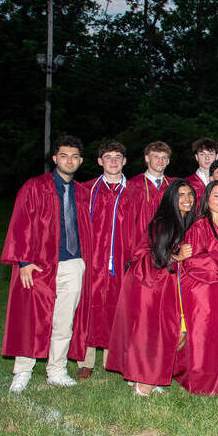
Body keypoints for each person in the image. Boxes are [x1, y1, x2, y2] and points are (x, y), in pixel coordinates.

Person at [2, 135, 92, 393]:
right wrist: (24, 261)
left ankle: (57, 370)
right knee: (33, 318)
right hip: (40, 265)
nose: (69, 160)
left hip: (73, 263)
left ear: (80, 161)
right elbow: (21, 224)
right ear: (55, 158)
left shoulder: (83, 192)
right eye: (64, 155)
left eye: (74, 156)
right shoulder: (35, 186)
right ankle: (23, 371)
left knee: (65, 320)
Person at [105, 180, 195, 396]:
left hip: (164, 284)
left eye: (190, 194)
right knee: (152, 332)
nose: (187, 199)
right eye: (181, 194)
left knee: (165, 332)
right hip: (149, 285)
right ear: (171, 198)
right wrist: (176, 257)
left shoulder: (183, 222)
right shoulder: (164, 223)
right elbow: (152, 256)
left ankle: (148, 376)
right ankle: (143, 384)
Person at [74, 140, 141, 381]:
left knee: (118, 308)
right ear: (100, 161)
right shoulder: (85, 190)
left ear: (124, 161)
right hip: (92, 262)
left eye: (118, 157)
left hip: (122, 261)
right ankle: (86, 361)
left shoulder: (134, 192)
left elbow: (141, 228)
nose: (113, 161)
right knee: (88, 308)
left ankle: (113, 360)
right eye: (108, 157)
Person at [173, 180, 218, 396]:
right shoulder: (199, 226)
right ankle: (201, 382)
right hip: (202, 289)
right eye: (216, 196)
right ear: (207, 199)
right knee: (205, 337)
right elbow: (192, 262)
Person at [127, 141, 175, 233]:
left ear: (168, 161)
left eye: (164, 157)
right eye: (156, 157)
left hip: (168, 241)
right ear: (147, 158)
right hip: (141, 241)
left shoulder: (173, 185)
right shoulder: (133, 185)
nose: (160, 161)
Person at [185, 137, 218, 201]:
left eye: (211, 154)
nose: (207, 158)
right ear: (196, 157)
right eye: (202, 154)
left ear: (217, 156)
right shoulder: (187, 182)